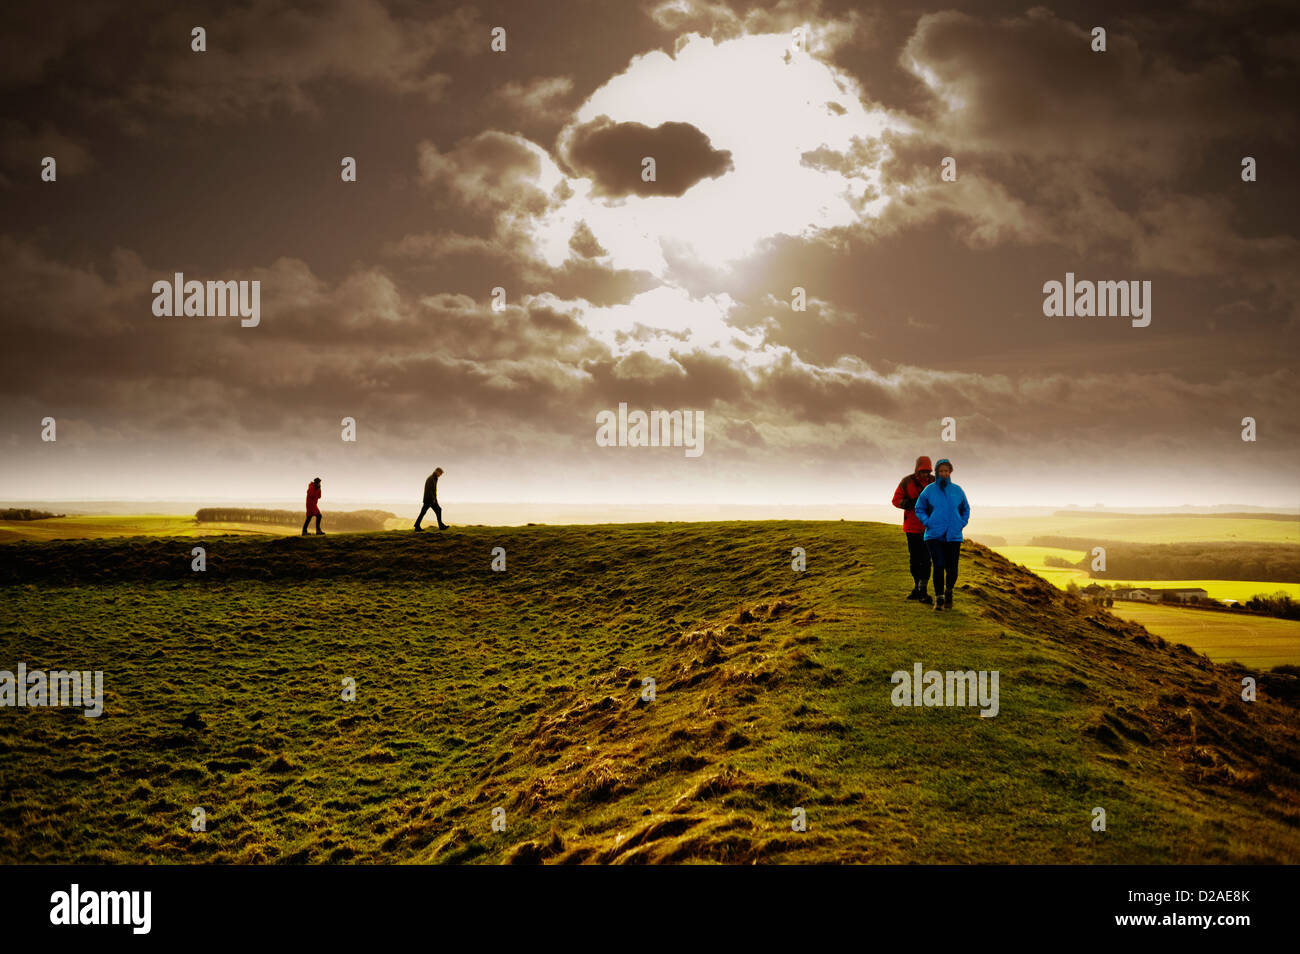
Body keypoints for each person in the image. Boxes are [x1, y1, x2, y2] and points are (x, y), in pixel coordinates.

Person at [914, 458, 969, 611]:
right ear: (937, 472)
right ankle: (939, 598)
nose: (944, 474)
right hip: (934, 535)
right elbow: (919, 508)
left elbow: (966, 509)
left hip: (953, 535)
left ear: (950, 472)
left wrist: (961, 523)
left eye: (946, 471)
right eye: (941, 471)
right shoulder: (929, 490)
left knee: (952, 569)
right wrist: (928, 522)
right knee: (938, 565)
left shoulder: (957, 490)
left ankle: (948, 591)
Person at [891, 456, 935, 604]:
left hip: (930, 528)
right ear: (917, 469)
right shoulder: (907, 481)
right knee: (915, 559)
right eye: (922, 471)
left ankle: (922, 589)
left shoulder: (936, 482)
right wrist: (911, 503)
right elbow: (895, 500)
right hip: (912, 528)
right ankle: (917, 587)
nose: (925, 474)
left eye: (927, 471)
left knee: (926, 559)